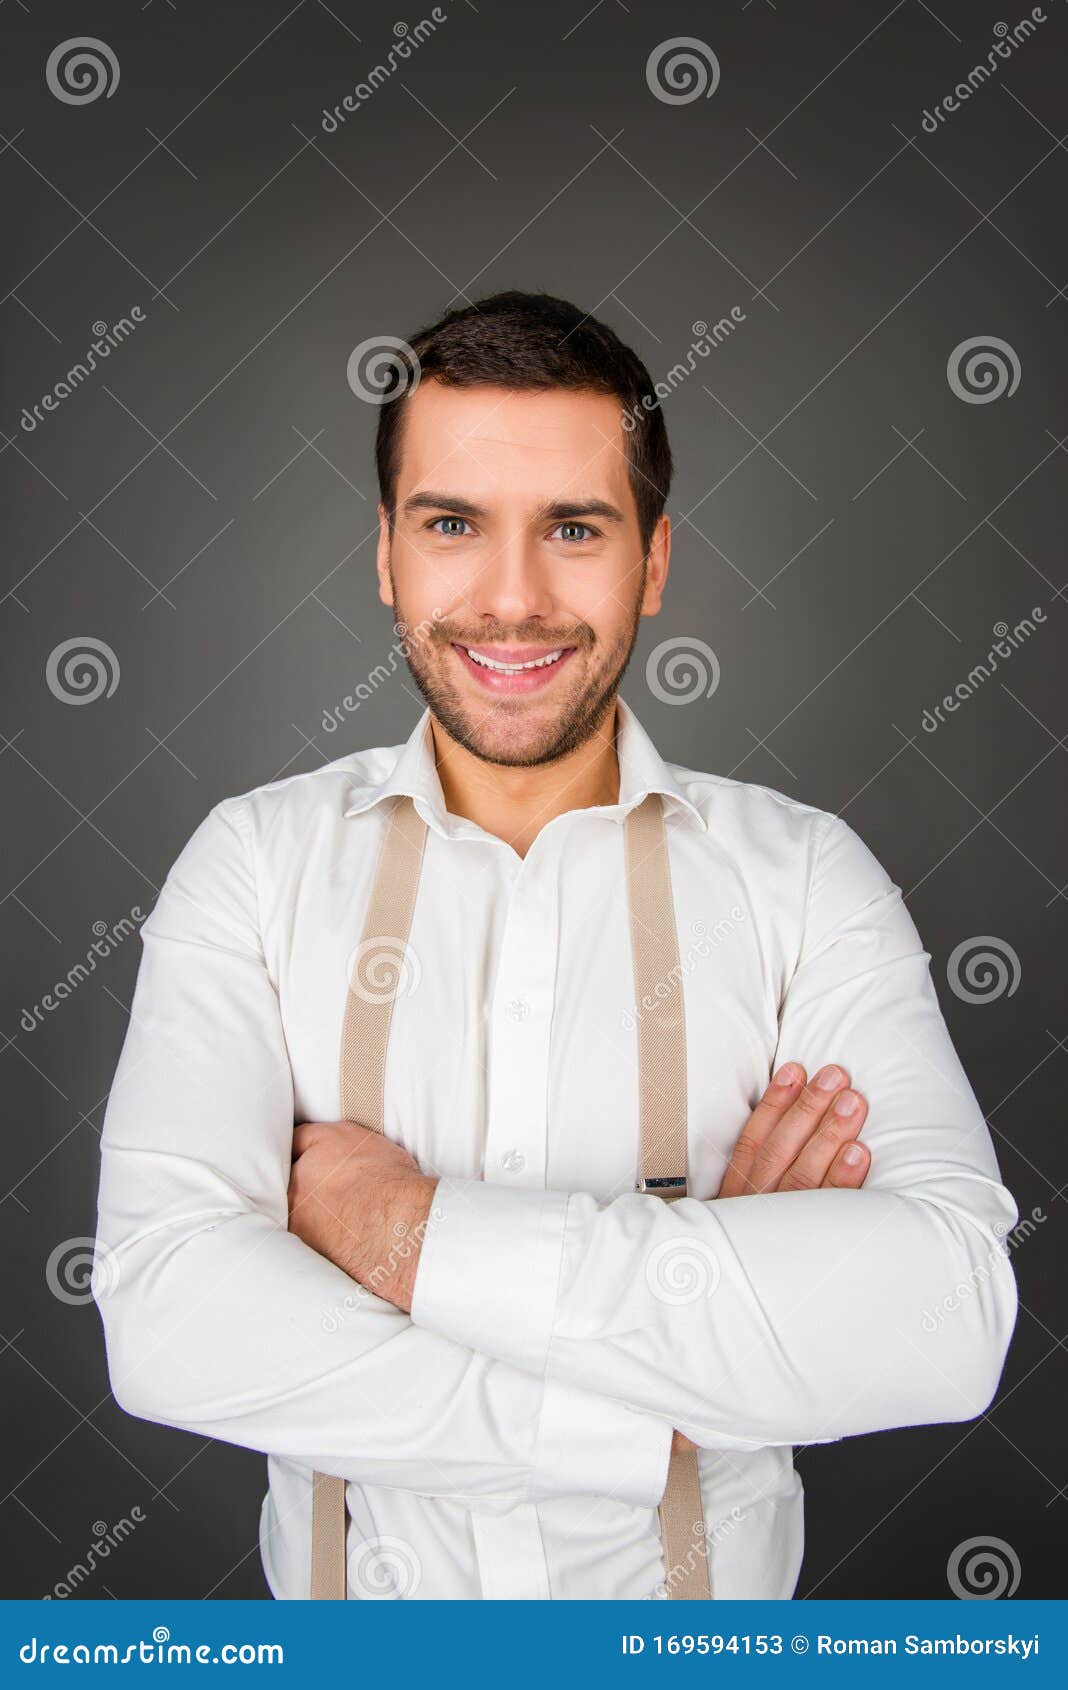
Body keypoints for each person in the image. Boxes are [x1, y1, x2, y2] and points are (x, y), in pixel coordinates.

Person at [94, 291, 1017, 1601]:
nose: (513, 599)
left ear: (653, 560)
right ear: (385, 554)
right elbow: (168, 1319)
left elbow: (946, 1316)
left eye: (574, 528)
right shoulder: (254, 867)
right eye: (454, 525)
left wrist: (407, 1234)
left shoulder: (807, 880)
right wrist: (695, 1337)